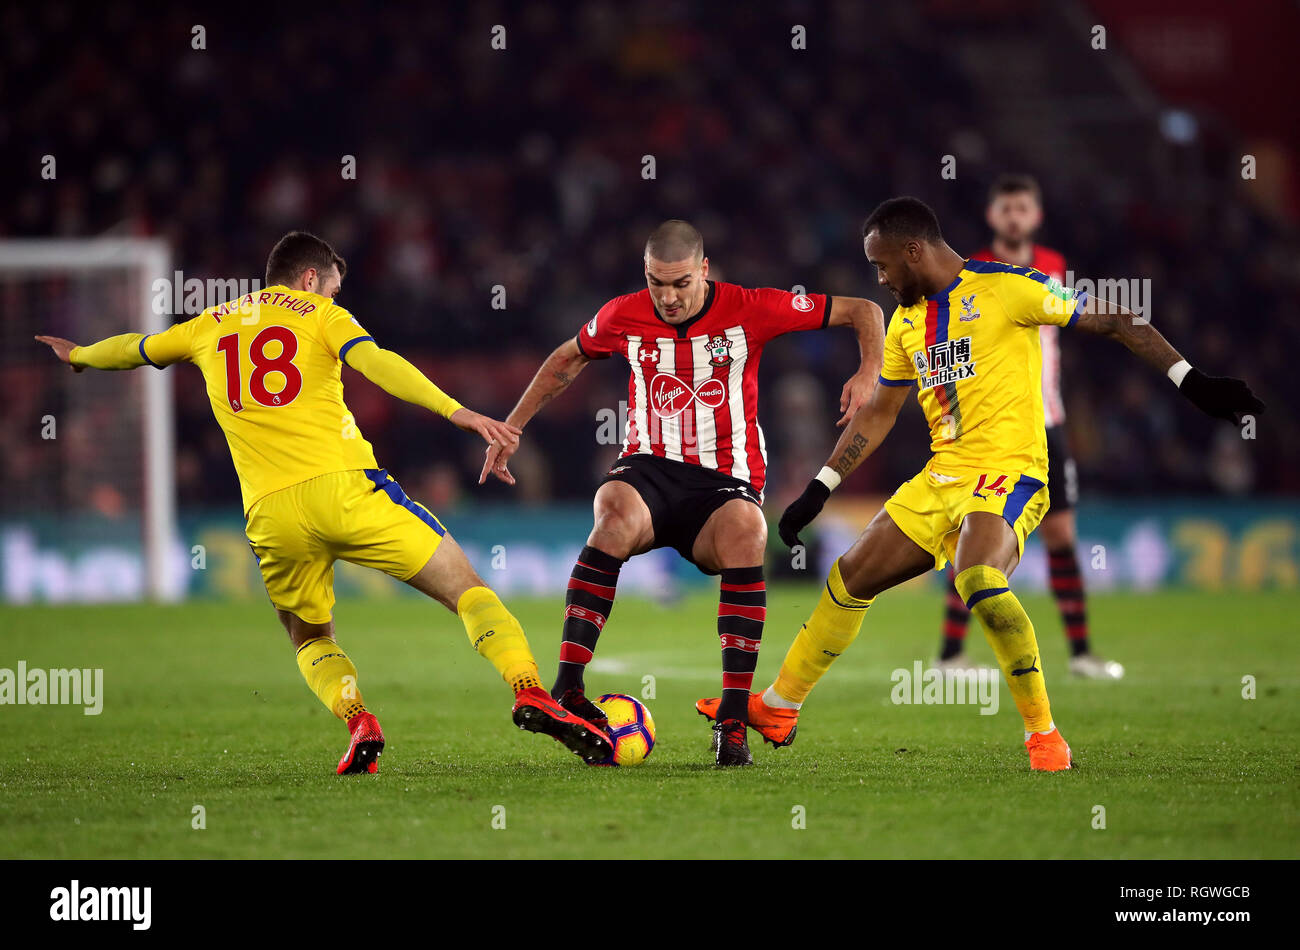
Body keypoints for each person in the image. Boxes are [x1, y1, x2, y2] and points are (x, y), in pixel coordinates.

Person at [697, 197, 1263, 771]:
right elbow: (881, 411)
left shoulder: (1008, 287)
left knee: (977, 576)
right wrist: (821, 487)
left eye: (882, 266)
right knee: (849, 577)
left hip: (1010, 470)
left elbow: (1117, 319)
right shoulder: (907, 323)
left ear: (913, 251)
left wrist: (1192, 380)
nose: (881, 279)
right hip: (941, 475)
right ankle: (779, 706)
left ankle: (1043, 734)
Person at [36, 230, 613, 774]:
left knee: (310, 637)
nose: (336, 297)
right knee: (468, 591)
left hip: (271, 514)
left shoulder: (208, 323)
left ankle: (359, 720)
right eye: (334, 287)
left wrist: (80, 355)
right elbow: (378, 363)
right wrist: (457, 412)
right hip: (346, 491)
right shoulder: (321, 315)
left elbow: (135, 349)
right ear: (310, 278)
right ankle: (528, 690)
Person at [480, 219, 885, 766]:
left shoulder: (752, 307)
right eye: (657, 283)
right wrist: (512, 429)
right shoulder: (622, 314)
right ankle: (568, 690)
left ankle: (733, 720)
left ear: (704, 270)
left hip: (724, 482)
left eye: (680, 283)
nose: (668, 297)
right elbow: (566, 359)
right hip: (648, 468)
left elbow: (865, 310)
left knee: (748, 532)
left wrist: (869, 370)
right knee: (613, 514)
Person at [937, 174, 1122, 679]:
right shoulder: (971, 271)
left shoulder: (1054, 265)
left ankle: (1081, 654)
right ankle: (949, 656)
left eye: (1022, 208)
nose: (1014, 217)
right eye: (1006, 208)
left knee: (1061, 535)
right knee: (974, 536)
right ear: (991, 216)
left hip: (1047, 421)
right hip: (991, 426)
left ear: (1036, 216)